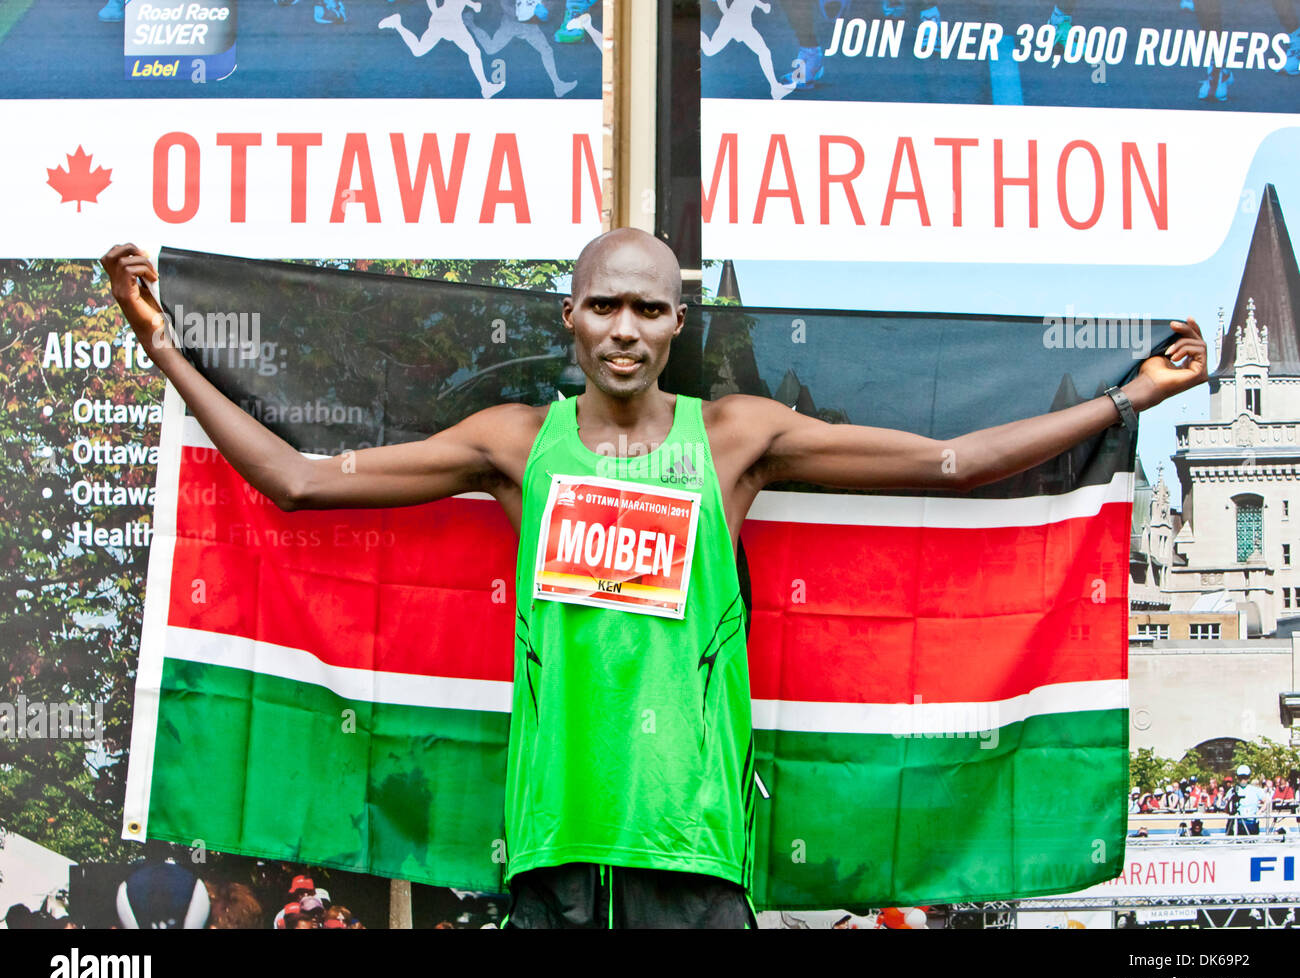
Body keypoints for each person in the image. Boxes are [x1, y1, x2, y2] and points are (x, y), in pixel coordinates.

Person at [100, 229, 1208, 929]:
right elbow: (294, 478)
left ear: (677, 323)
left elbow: (951, 461)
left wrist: (1124, 400)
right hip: (552, 847)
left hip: (694, 850)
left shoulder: (735, 438)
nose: (623, 329)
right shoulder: (511, 441)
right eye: (602, 306)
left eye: (646, 308)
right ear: (568, 319)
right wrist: (165, 347)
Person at [1227, 764, 1271, 836]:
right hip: (1239, 822)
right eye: (1241, 778)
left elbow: (1267, 801)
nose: (1243, 780)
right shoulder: (1233, 790)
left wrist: (1259, 813)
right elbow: (1227, 807)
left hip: (1252, 822)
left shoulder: (1255, 790)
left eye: (1245, 777)